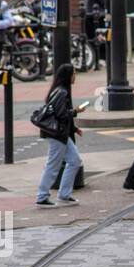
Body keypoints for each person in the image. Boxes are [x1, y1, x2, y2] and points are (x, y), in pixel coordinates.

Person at [36, 63, 83, 208]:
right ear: (68, 76)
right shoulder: (62, 92)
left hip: (61, 134)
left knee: (75, 160)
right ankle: (42, 197)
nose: (75, 76)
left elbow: (60, 114)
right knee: (53, 165)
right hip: (57, 134)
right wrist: (76, 111)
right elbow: (61, 114)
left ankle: (64, 195)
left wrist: (74, 128)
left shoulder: (60, 90)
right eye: (74, 73)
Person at [82, 0, 108, 69]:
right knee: (100, 38)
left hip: (89, 17)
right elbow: (104, 1)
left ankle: (95, 61)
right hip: (96, 18)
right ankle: (100, 60)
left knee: (92, 39)